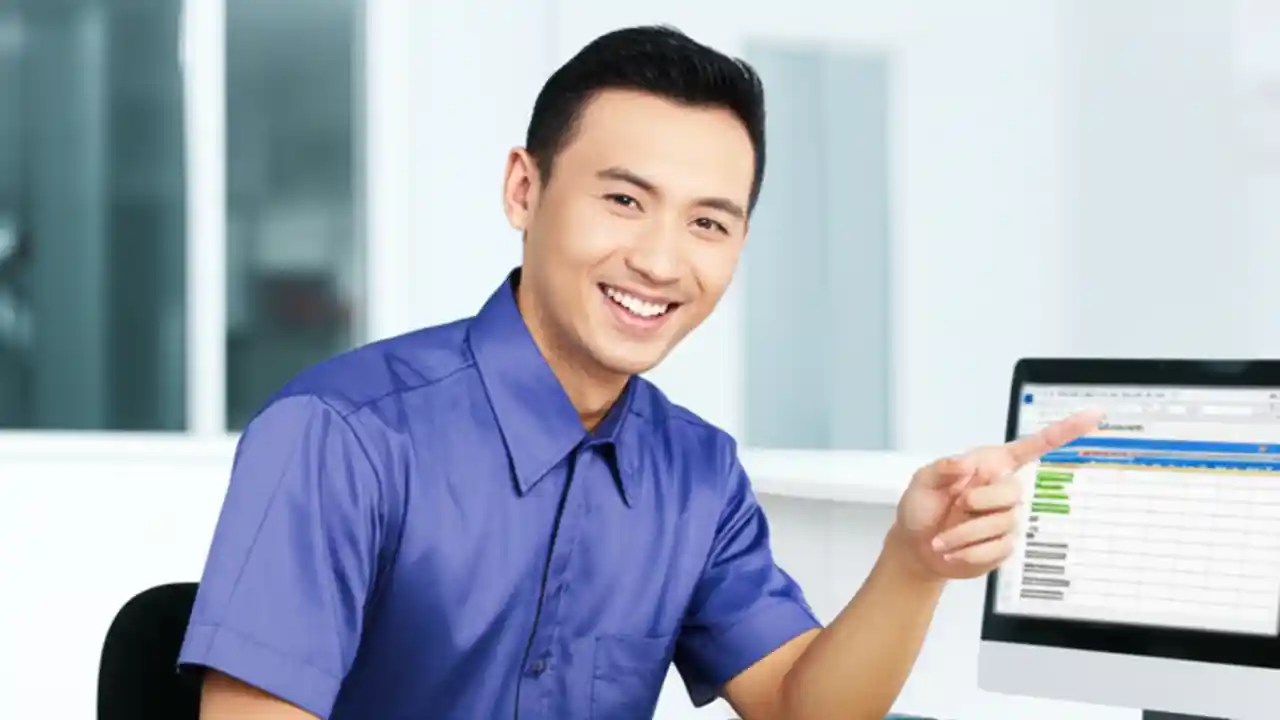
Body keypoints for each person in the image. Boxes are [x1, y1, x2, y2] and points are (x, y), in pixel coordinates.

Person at [180, 25, 1099, 720]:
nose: (661, 262)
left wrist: (914, 563)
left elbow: (797, 706)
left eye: (708, 223)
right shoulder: (343, 434)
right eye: (624, 200)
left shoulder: (696, 473)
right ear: (525, 190)